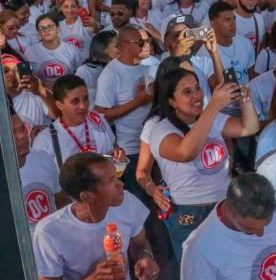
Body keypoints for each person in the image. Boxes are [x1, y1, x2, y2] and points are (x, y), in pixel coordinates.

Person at [147, 67, 259, 262]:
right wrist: (213, 106)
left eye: (197, 88)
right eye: (187, 92)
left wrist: (245, 100)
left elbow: (248, 127)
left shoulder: (212, 118)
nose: (197, 95)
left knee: (229, 267)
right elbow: (186, 152)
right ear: (171, 101)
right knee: (196, 273)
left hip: (225, 206)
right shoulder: (161, 130)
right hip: (190, 215)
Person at [32, 152, 159, 280]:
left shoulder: (126, 202)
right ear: (87, 196)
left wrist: (146, 257)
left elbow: (140, 243)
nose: (121, 184)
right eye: (111, 181)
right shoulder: (50, 232)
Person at [94, 25, 153, 186]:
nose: (146, 45)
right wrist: (137, 102)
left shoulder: (148, 67)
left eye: (148, 41)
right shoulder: (111, 74)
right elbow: (101, 116)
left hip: (154, 145)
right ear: (125, 45)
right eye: (141, 42)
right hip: (131, 150)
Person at [13, 108, 67, 229]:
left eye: (22, 128)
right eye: (12, 132)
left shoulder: (42, 157)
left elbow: (62, 201)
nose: (22, 135)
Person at [28, 14, 82, 86]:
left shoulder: (72, 50)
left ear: (58, 28)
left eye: (50, 26)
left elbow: (79, 75)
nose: (46, 30)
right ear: (38, 32)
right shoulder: (30, 52)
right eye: (42, 28)